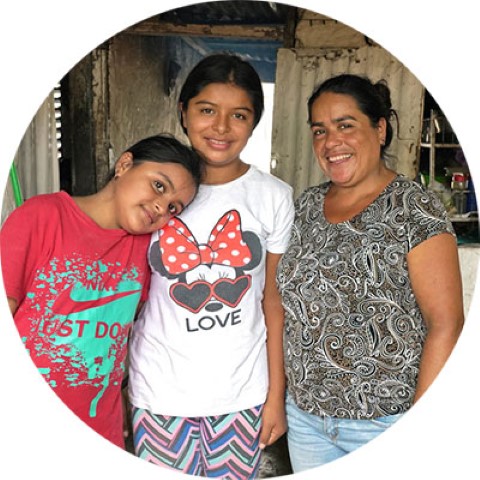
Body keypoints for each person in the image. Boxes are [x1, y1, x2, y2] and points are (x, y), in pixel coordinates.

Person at [276, 73, 465, 472]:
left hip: (385, 422)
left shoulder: (414, 208)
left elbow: (445, 323)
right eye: (319, 130)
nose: (331, 142)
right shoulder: (307, 206)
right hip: (307, 417)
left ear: (380, 129)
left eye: (346, 125)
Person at [128, 53, 294, 478]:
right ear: (183, 112)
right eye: (207, 110)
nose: (221, 128)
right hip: (160, 391)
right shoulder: (157, 189)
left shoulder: (273, 196)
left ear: (254, 123)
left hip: (242, 394)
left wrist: (276, 395)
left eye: (238, 115)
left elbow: (272, 301)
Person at [0, 134, 203, 449]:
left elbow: (121, 333)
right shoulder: (41, 216)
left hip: (100, 427)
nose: (162, 207)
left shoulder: (145, 249)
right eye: (159, 185)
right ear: (124, 164)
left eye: (174, 208)